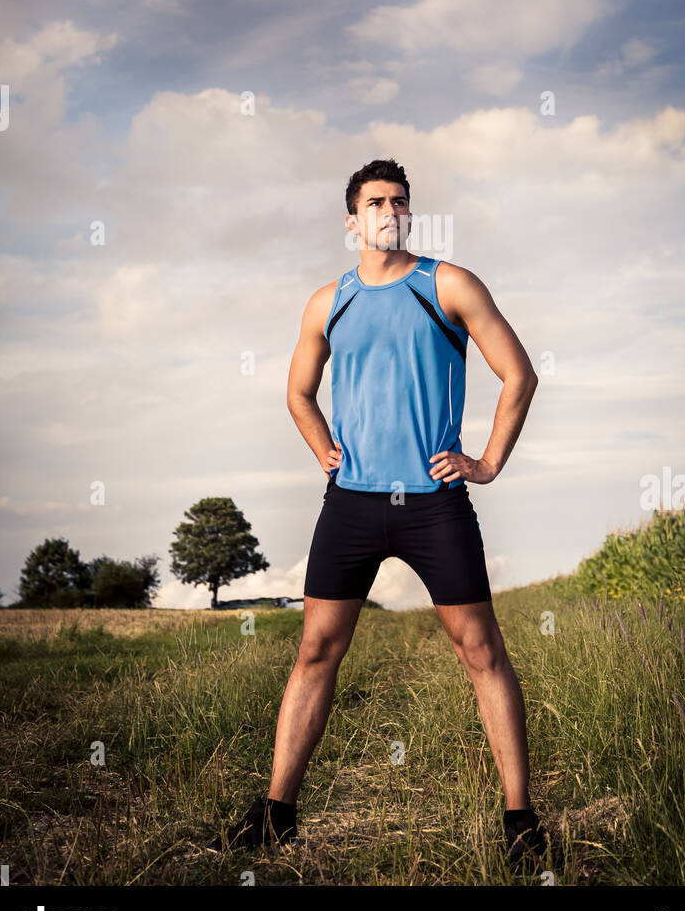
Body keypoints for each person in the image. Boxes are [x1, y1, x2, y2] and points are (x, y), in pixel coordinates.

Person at [208, 158, 550, 869]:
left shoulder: (447, 284)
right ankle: (277, 815)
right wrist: (324, 449)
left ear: (409, 214)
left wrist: (486, 463)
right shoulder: (326, 302)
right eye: (374, 201)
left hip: (434, 505)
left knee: (482, 653)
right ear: (351, 222)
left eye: (399, 200)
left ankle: (520, 820)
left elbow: (519, 374)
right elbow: (299, 393)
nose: (388, 210)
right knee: (314, 652)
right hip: (353, 505)